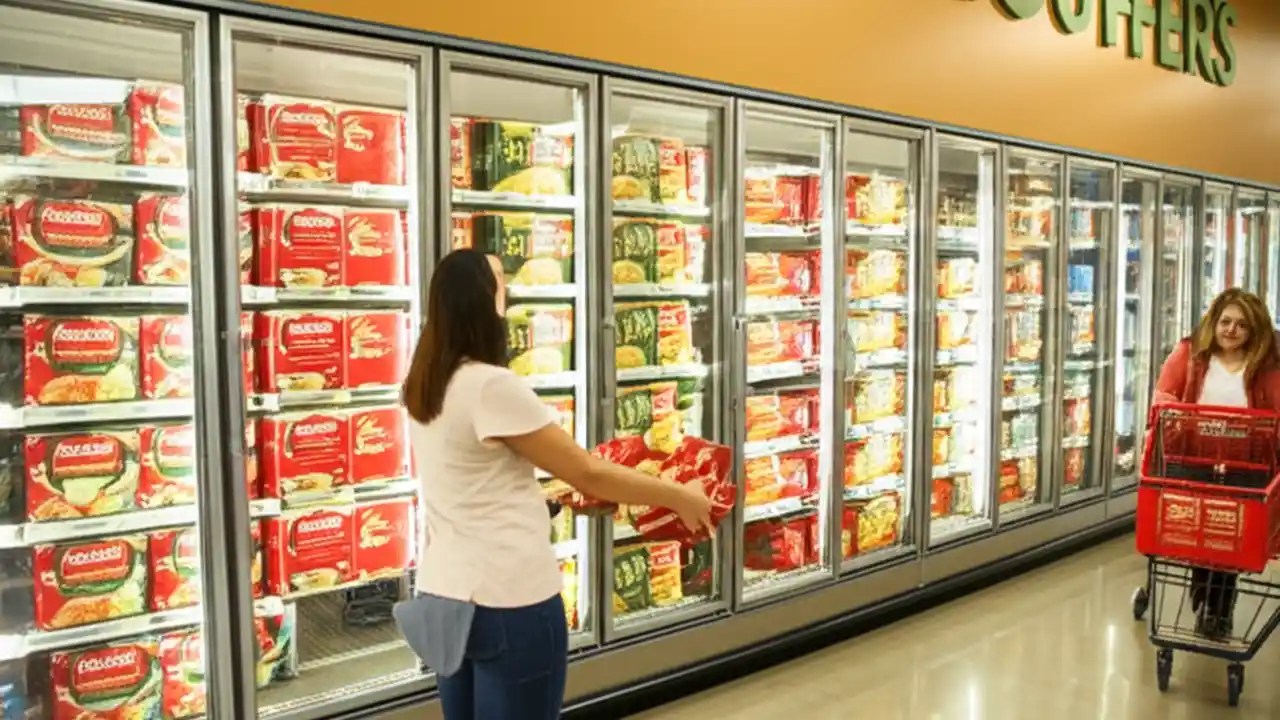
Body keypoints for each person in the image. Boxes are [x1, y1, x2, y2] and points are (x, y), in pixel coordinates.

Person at [400, 248, 714, 719]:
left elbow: (477, 482)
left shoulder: (425, 382)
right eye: (501, 282)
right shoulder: (490, 385)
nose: (509, 290)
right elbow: (584, 469)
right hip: (509, 597)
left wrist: (546, 498)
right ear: (484, 301)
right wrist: (678, 494)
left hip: (445, 594)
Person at [1152, 287, 1280, 638]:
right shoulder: (1189, 354)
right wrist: (1171, 417)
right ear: (1213, 322)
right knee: (1201, 536)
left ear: (1255, 331)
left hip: (1246, 467)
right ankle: (1205, 600)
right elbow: (1163, 396)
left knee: (1230, 538)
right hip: (1194, 459)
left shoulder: (1267, 366)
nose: (1231, 330)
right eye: (1225, 321)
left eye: (1242, 325)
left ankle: (1218, 608)